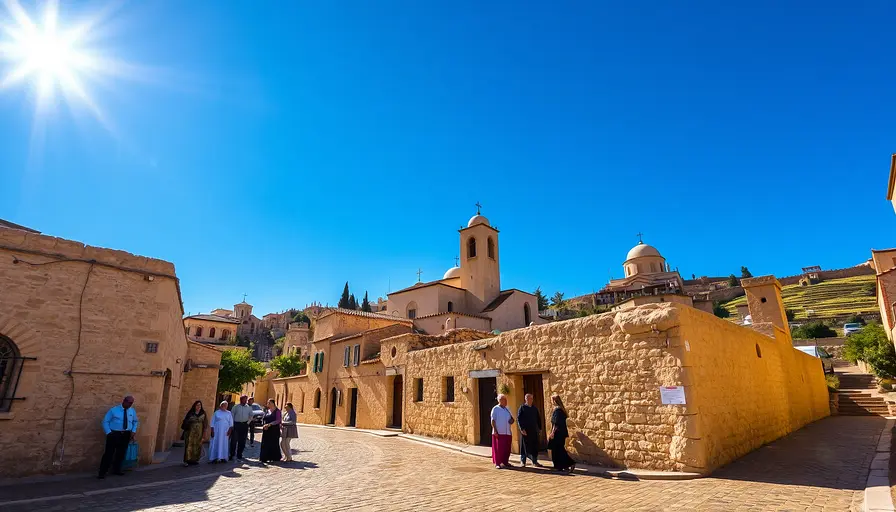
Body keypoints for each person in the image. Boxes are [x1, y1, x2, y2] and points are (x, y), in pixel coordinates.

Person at [98, 395, 139, 479]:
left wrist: (133, 431)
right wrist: (109, 433)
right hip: (114, 434)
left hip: (126, 434)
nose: (130, 404)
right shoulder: (114, 410)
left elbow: (135, 421)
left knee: (121, 453)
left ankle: (117, 469)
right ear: (124, 401)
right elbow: (105, 421)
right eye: (129, 402)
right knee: (109, 453)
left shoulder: (132, 411)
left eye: (132, 403)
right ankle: (102, 472)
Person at [548, 394, 576, 473]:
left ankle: (570, 463)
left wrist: (552, 433)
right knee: (558, 449)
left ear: (554, 401)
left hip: (558, 433)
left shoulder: (558, 411)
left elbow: (556, 423)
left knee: (558, 449)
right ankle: (560, 465)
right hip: (561, 433)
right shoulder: (561, 410)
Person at [517, 393, 543, 467]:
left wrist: (540, 428)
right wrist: (522, 428)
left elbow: (538, 418)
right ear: (525, 399)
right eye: (528, 398)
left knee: (534, 446)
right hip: (525, 431)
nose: (530, 400)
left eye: (531, 398)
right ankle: (523, 461)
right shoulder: (522, 407)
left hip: (534, 430)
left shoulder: (534, 408)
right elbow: (519, 419)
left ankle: (535, 461)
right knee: (524, 447)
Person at [490, 393, 514, 469]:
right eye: (504, 400)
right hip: (499, 432)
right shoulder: (495, 409)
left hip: (507, 432)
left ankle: (505, 462)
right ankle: (498, 463)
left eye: (506, 399)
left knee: (507, 448)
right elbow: (493, 420)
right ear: (500, 400)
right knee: (498, 449)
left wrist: (512, 420)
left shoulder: (508, 409)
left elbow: (512, 418)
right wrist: (496, 431)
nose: (506, 401)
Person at [181, 401, 208, 467]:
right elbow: (185, 421)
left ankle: (194, 460)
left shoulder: (203, 413)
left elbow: (205, 424)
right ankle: (187, 460)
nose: (198, 406)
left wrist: (204, 434)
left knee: (197, 446)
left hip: (199, 432)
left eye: (200, 405)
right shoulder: (190, 413)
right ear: (194, 406)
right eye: (197, 405)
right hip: (190, 433)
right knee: (189, 446)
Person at [259, 399, 282, 463]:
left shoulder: (277, 411)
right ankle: (264, 457)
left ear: (272, 403)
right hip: (266, 430)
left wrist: (270, 424)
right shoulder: (267, 411)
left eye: (269, 403)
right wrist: (264, 425)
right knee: (265, 444)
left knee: (273, 444)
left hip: (274, 430)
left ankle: (274, 457)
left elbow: (278, 420)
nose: (267, 404)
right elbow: (263, 419)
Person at [230, 395, 252, 460]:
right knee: (234, 440)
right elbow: (232, 415)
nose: (245, 401)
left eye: (246, 399)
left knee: (242, 441)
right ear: (241, 400)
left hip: (244, 425)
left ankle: (239, 454)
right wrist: (233, 424)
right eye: (244, 399)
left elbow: (251, 415)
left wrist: (247, 423)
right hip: (236, 424)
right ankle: (232, 454)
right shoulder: (236, 407)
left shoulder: (249, 408)